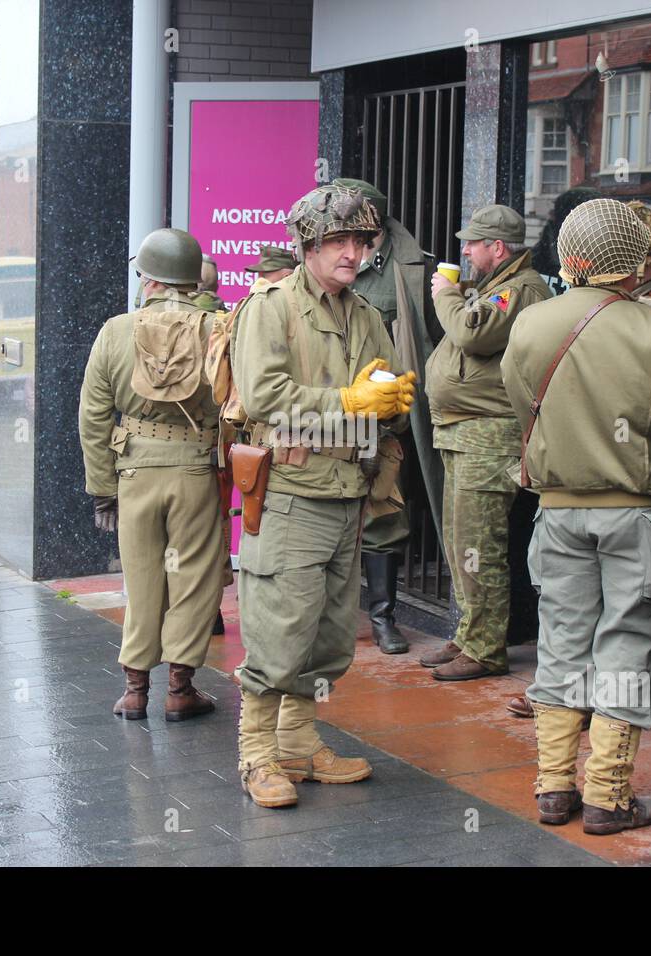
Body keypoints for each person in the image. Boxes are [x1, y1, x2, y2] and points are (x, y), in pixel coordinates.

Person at [501, 198, 651, 835]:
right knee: (628, 652)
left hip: (555, 513)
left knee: (561, 645)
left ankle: (553, 789)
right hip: (638, 516)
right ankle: (609, 796)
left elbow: (524, 413)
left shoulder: (528, 324)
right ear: (633, 259)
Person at [231, 183, 415, 808]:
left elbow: (379, 398)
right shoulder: (272, 306)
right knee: (279, 632)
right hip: (291, 491)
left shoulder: (364, 314)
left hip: (348, 492)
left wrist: (388, 405)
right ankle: (257, 757)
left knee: (330, 637)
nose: (351, 253)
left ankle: (299, 745)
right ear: (307, 245)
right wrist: (348, 403)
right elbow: (265, 399)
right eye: (337, 241)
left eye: (361, 241)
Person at [79, 227, 225, 723]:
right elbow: (238, 405)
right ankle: (180, 690)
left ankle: (135, 691)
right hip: (195, 471)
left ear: (149, 279)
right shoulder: (219, 328)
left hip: (133, 473)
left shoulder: (115, 330)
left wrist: (102, 489)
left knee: (141, 580)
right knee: (193, 579)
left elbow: (93, 416)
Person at [420, 205, 550, 681]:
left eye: (473, 243)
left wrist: (447, 295)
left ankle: (486, 647)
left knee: (480, 542)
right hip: (465, 429)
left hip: (489, 433)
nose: (466, 251)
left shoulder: (521, 289)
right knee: (460, 541)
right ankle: (471, 632)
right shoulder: (499, 287)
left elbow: (470, 334)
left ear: (498, 248)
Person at [332, 177, 440, 656]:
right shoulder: (319, 264)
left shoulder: (413, 267)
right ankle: (329, 621)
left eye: (360, 235)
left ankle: (382, 619)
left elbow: (433, 344)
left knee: (384, 515)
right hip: (331, 410)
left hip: (386, 414)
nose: (351, 247)